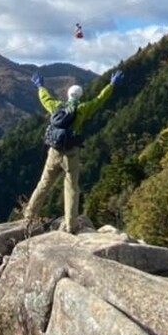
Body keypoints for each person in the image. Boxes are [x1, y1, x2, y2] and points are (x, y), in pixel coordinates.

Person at [22, 69, 122, 232]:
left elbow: (45, 98)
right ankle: (70, 225)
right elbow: (100, 99)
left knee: (44, 184)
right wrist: (111, 85)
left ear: (67, 95)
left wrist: (40, 86)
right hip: (71, 154)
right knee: (71, 188)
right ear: (80, 96)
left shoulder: (56, 107)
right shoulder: (83, 108)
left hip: (54, 152)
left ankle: (29, 216)